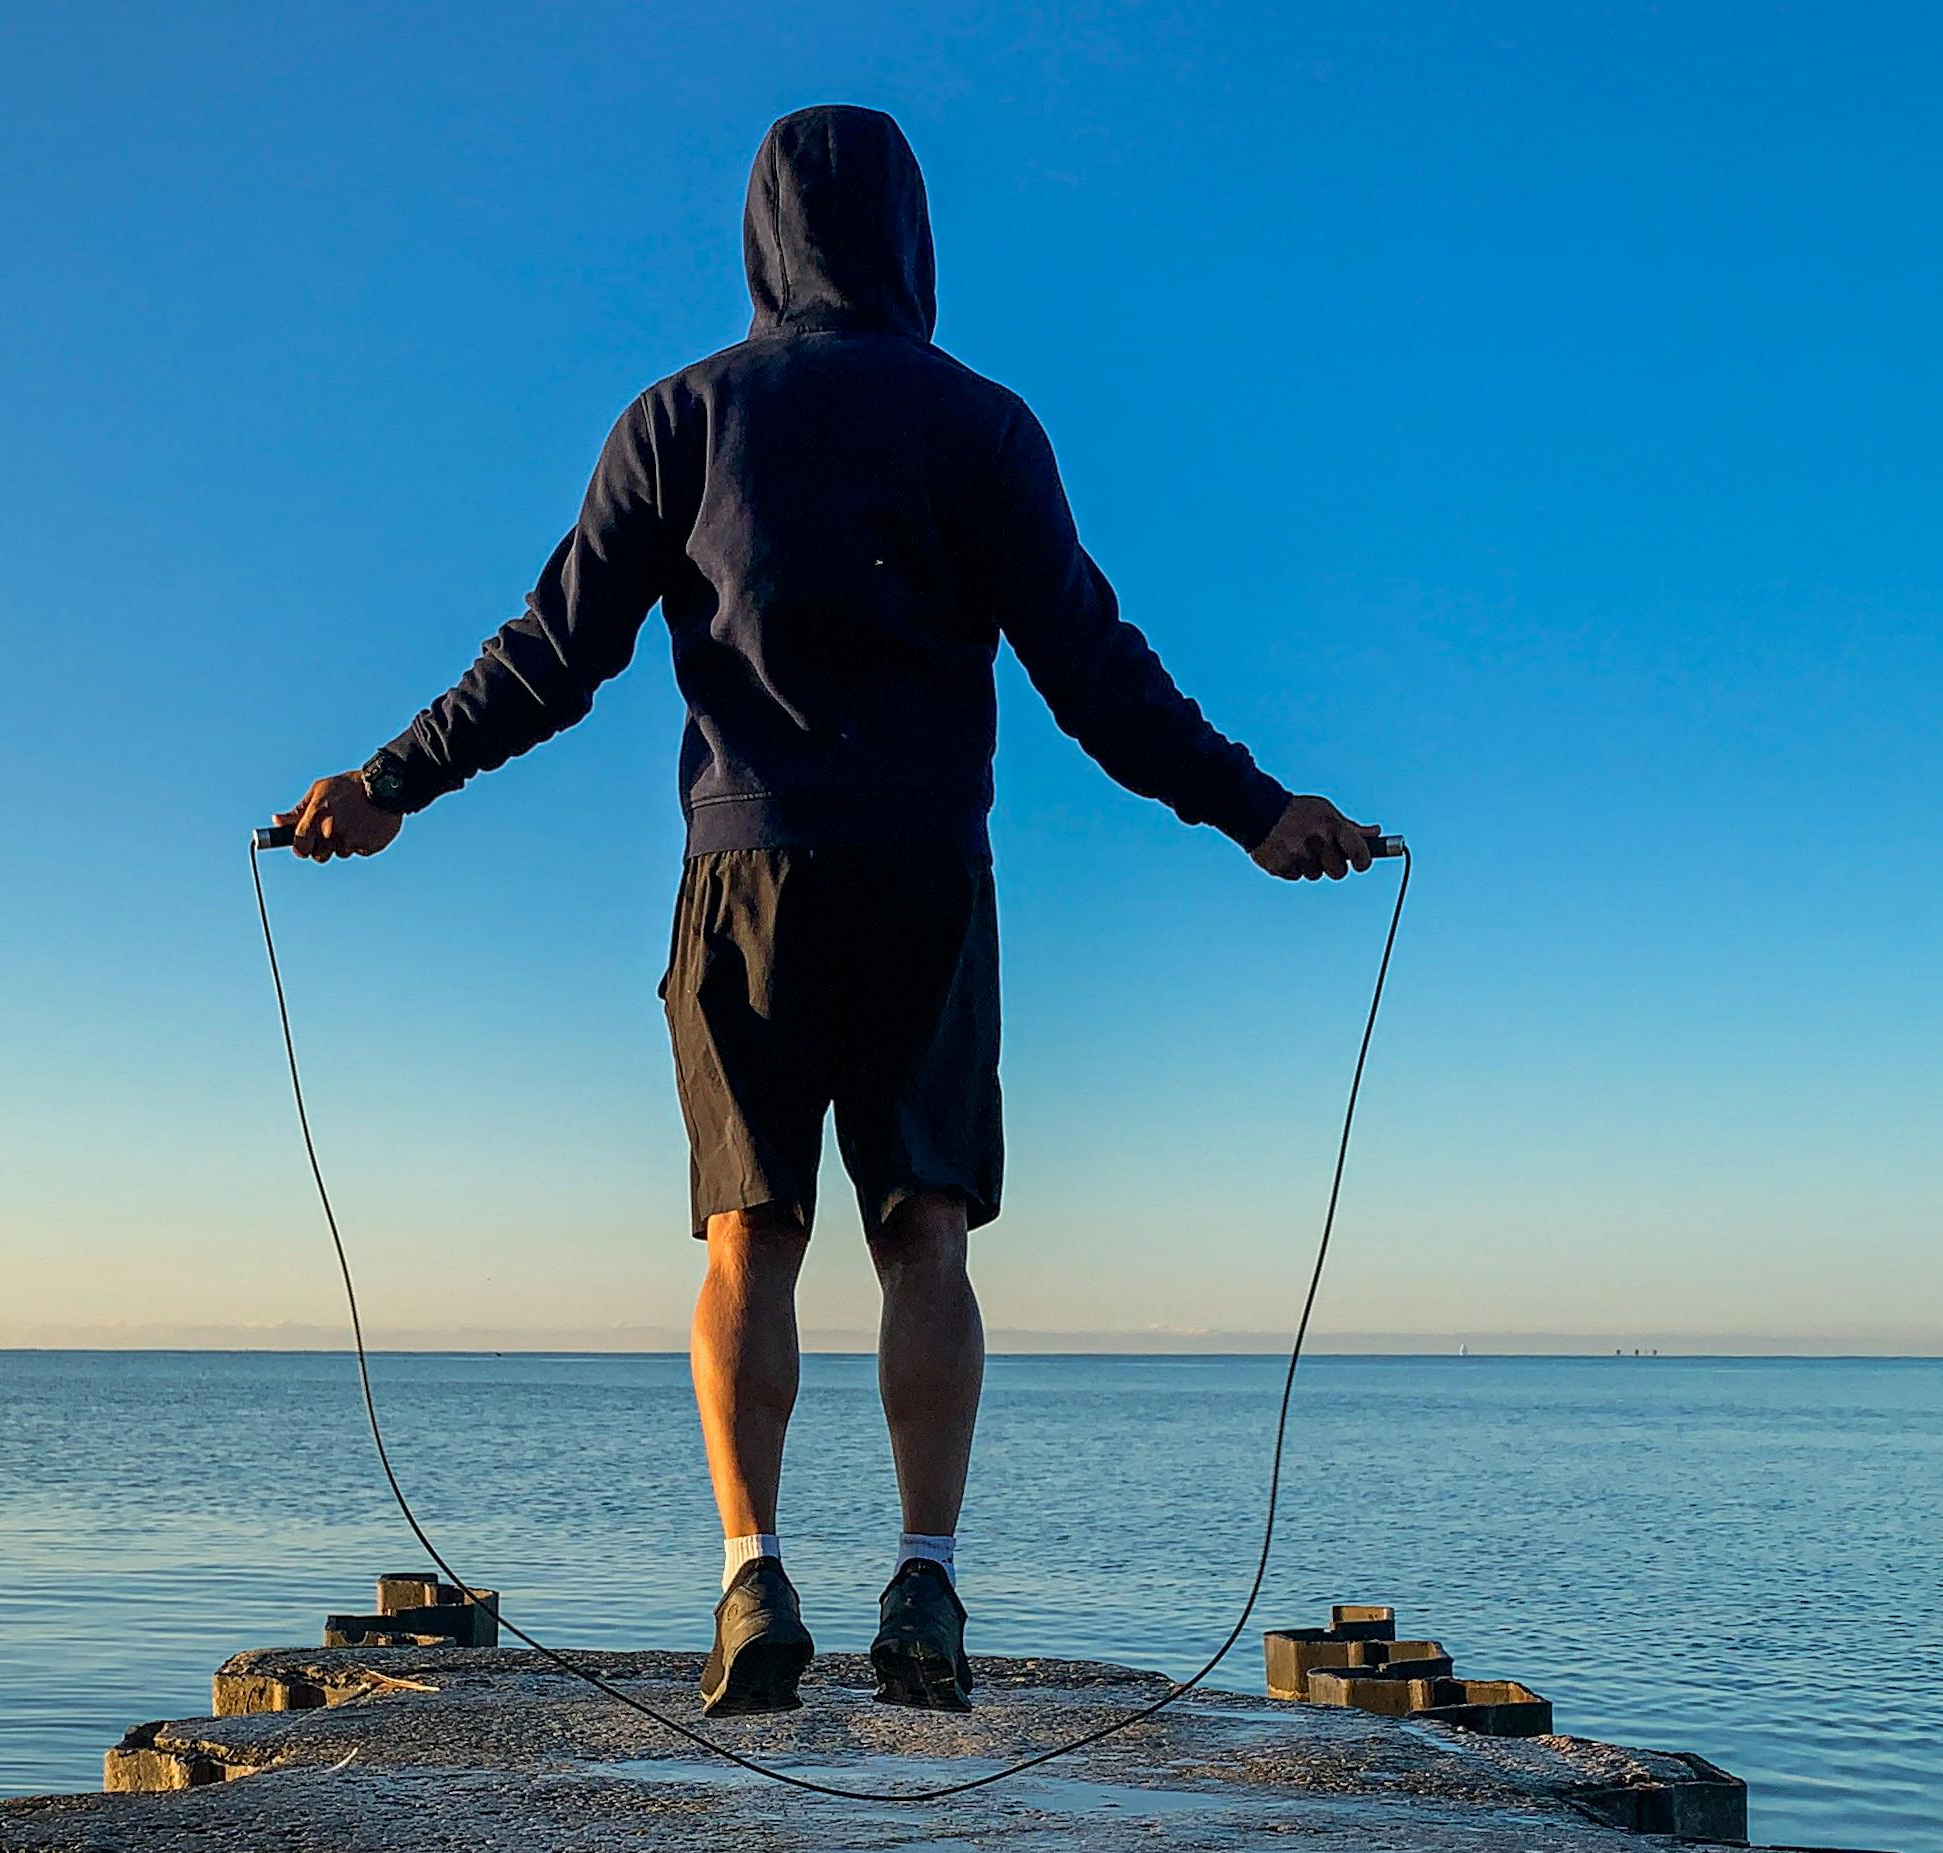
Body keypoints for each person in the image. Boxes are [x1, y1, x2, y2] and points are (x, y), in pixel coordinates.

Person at [274, 104, 1379, 1719]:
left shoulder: (680, 416)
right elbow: (1094, 669)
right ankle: (925, 1581)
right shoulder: (980, 424)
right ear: (915, 242)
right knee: (923, 1225)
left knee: (751, 1229)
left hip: (744, 870)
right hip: (926, 871)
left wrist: (385, 782)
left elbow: (551, 654)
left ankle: (749, 1574)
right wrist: (1256, 813)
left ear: (755, 237)